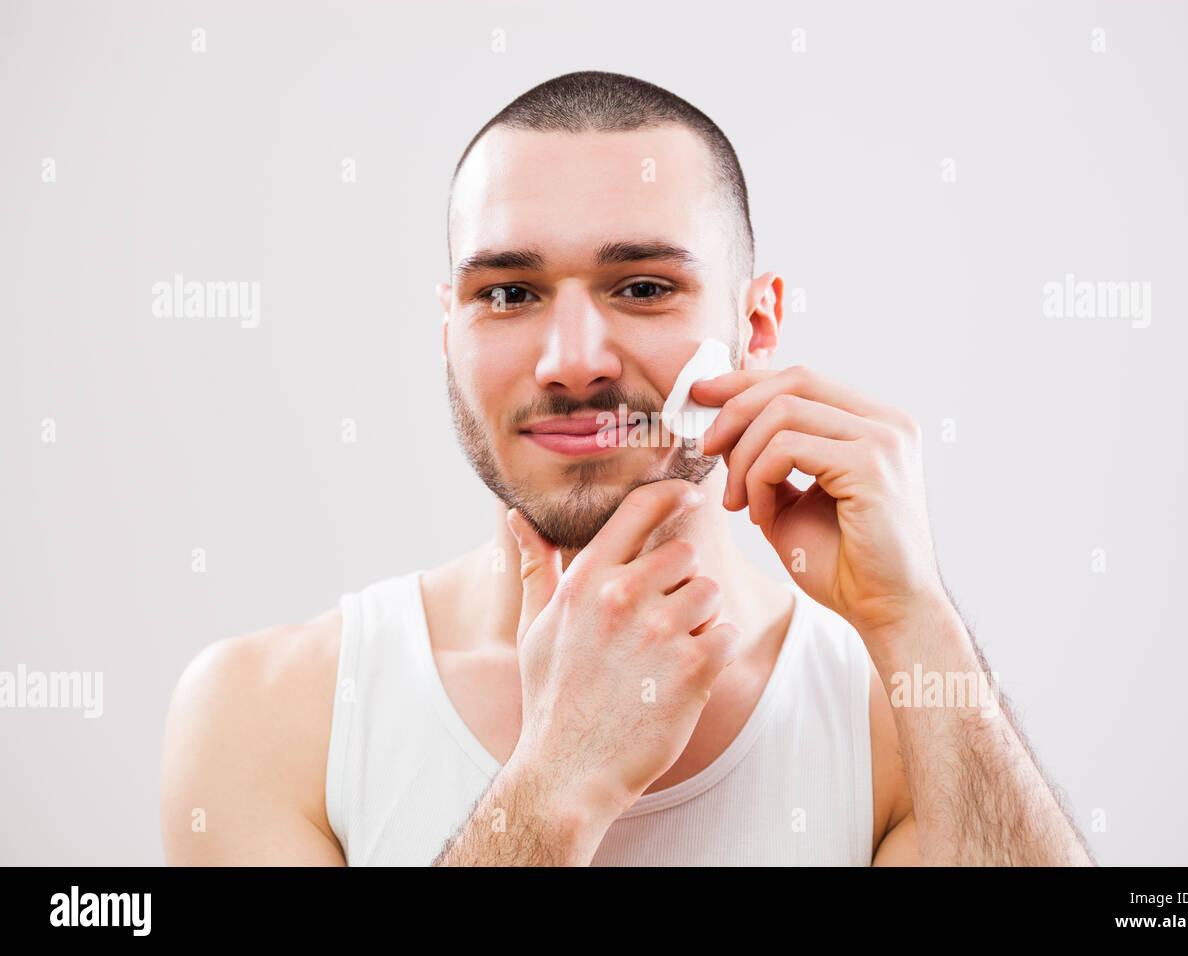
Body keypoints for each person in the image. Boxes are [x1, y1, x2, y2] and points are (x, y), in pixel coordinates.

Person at [160, 71, 1094, 866]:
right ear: (449, 331)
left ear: (754, 325)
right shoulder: (272, 714)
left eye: (643, 286)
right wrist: (557, 783)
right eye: (510, 292)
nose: (574, 359)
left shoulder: (899, 724)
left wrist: (912, 618)